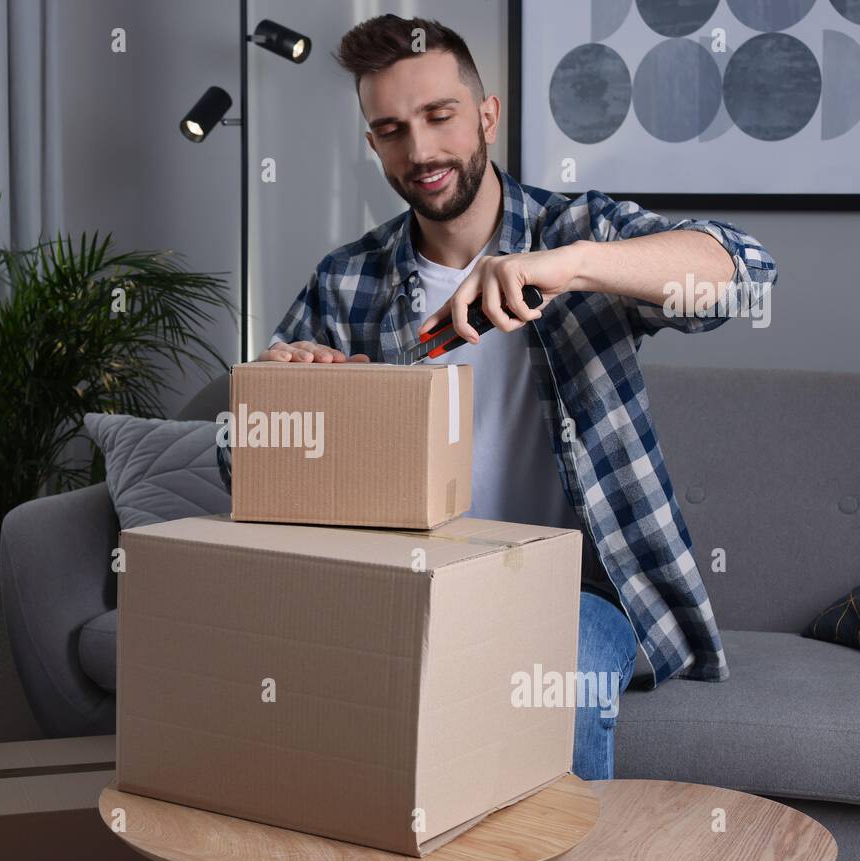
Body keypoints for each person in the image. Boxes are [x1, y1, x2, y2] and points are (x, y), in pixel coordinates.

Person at [217, 14, 776, 780]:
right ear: (373, 143)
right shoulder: (347, 279)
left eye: (439, 116)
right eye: (391, 130)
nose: (420, 151)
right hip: (410, 585)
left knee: (553, 691)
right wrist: (286, 395)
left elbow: (748, 274)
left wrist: (571, 266)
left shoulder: (576, 230)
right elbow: (234, 457)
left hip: (578, 590)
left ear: (487, 115)